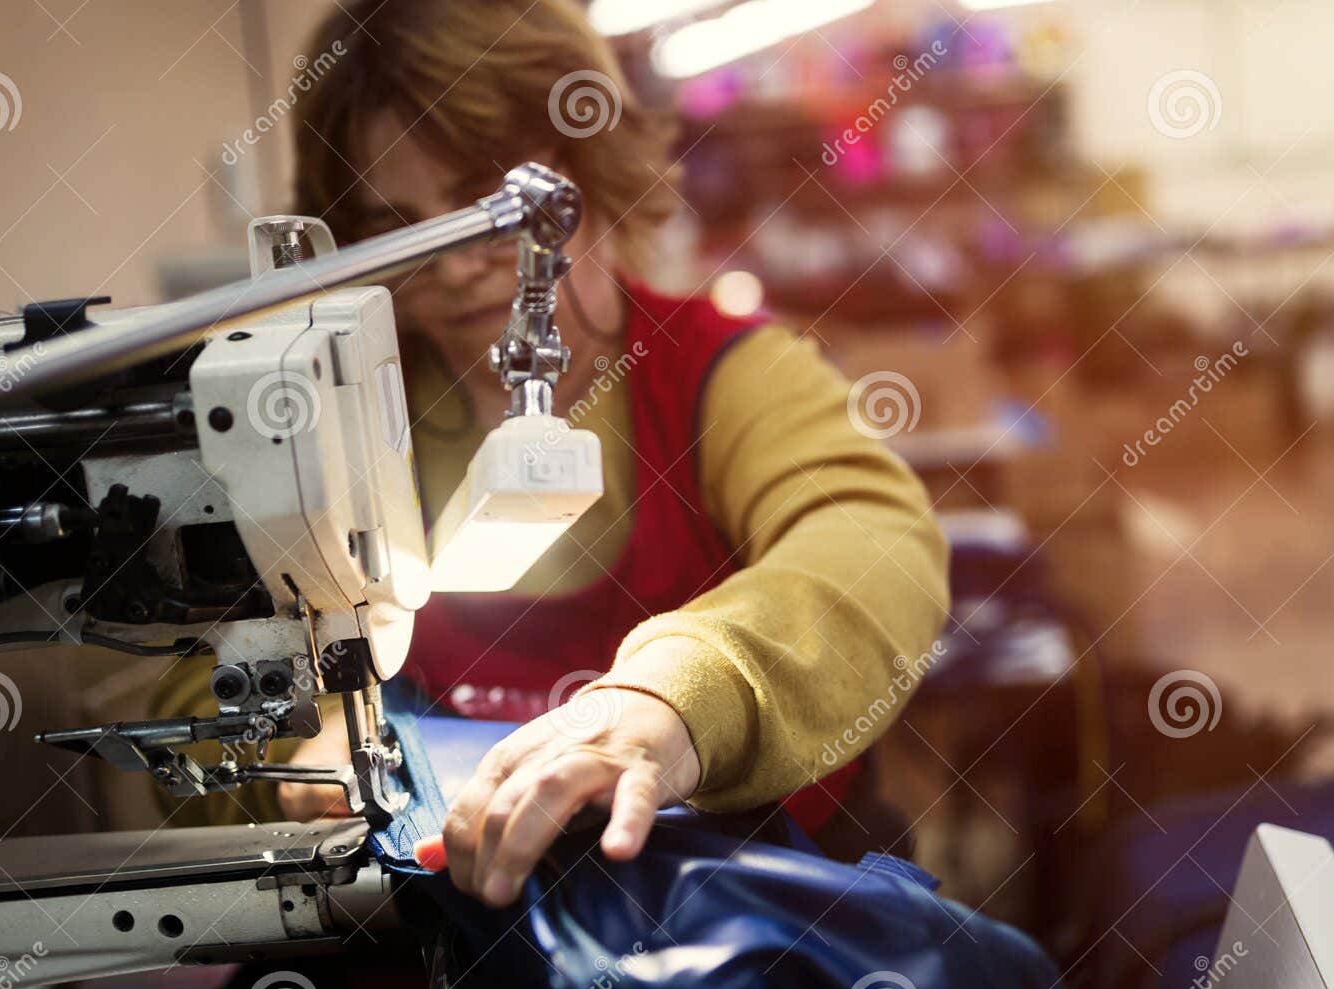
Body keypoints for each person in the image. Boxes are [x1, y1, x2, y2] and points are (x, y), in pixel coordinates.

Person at [153, 0, 948, 908]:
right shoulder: (330, 421)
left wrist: (676, 705)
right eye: (400, 223)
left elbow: (874, 550)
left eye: (484, 204)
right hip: (444, 925)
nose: (456, 265)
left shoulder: (721, 376)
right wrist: (302, 761)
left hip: (741, 928)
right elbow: (188, 703)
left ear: (591, 174)